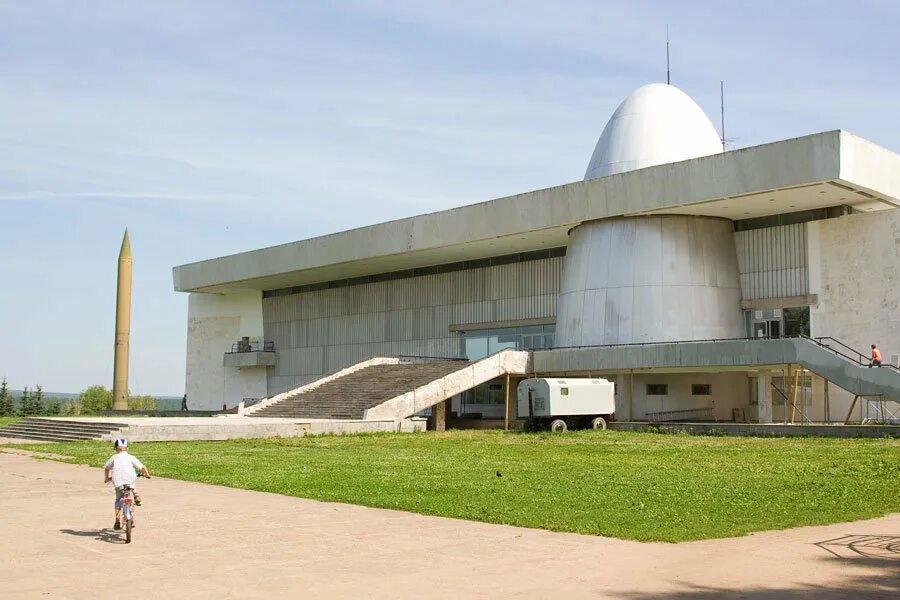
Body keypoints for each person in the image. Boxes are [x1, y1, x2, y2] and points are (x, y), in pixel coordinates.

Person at [103, 438, 149, 530]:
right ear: (127, 448)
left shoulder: (114, 457)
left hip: (118, 482)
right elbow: (142, 467)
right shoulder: (130, 457)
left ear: (116, 448)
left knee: (118, 499)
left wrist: (106, 478)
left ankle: (117, 520)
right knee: (131, 485)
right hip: (129, 480)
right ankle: (136, 496)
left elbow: (107, 468)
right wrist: (147, 474)